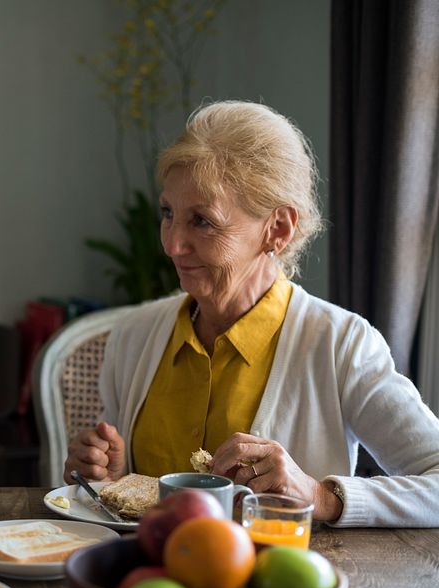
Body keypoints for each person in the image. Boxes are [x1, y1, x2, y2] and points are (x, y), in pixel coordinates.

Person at [65, 100, 439, 528]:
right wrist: (108, 480)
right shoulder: (133, 336)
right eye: (169, 213)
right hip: (144, 587)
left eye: (202, 221)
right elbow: (130, 502)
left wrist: (321, 496)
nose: (172, 245)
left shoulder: (342, 345)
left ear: (277, 230)